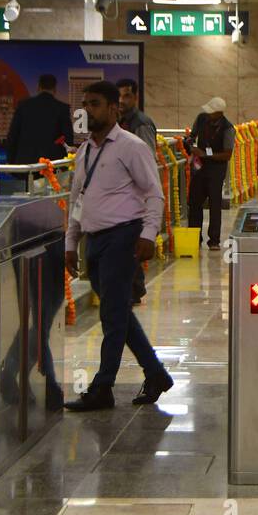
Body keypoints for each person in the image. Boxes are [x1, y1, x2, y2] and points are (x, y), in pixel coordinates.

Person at [63, 81, 173, 411]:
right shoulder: (86, 151)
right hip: (94, 241)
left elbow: (154, 193)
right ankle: (156, 374)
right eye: (85, 104)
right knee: (118, 312)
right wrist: (71, 243)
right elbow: (76, 200)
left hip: (122, 238)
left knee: (112, 315)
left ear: (114, 108)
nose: (88, 110)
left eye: (95, 104)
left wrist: (148, 234)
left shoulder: (132, 147)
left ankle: (103, 386)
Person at [117, 78, 158, 304]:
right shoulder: (120, 121)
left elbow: (147, 161)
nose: (122, 101)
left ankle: (133, 290)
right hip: (122, 194)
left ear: (136, 97)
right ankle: (131, 290)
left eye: (126, 96)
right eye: (119, 96)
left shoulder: (141, 123)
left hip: (136, 195)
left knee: (131, 243)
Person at [4, 73, 74, 192]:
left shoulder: (23, 106)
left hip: (27, 163)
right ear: (55, 89)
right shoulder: (62, 108)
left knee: (30, 196)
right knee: (52, 197)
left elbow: (13, 136)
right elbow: (68, 139)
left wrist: (11, 162)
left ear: (38, 87)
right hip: (52, 164)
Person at [187, 96, 234, 249]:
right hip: (199, 167)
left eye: (212, 113)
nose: (208, 114)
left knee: (214, 204)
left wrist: (206, 154)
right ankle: (194, 237)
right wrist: (189, 143)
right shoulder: (201, 119)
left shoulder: (228, 128)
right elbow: (192, 136)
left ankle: (214, 240)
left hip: (216, 169)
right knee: (194, 202)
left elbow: (227, 154)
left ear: (219, 114)